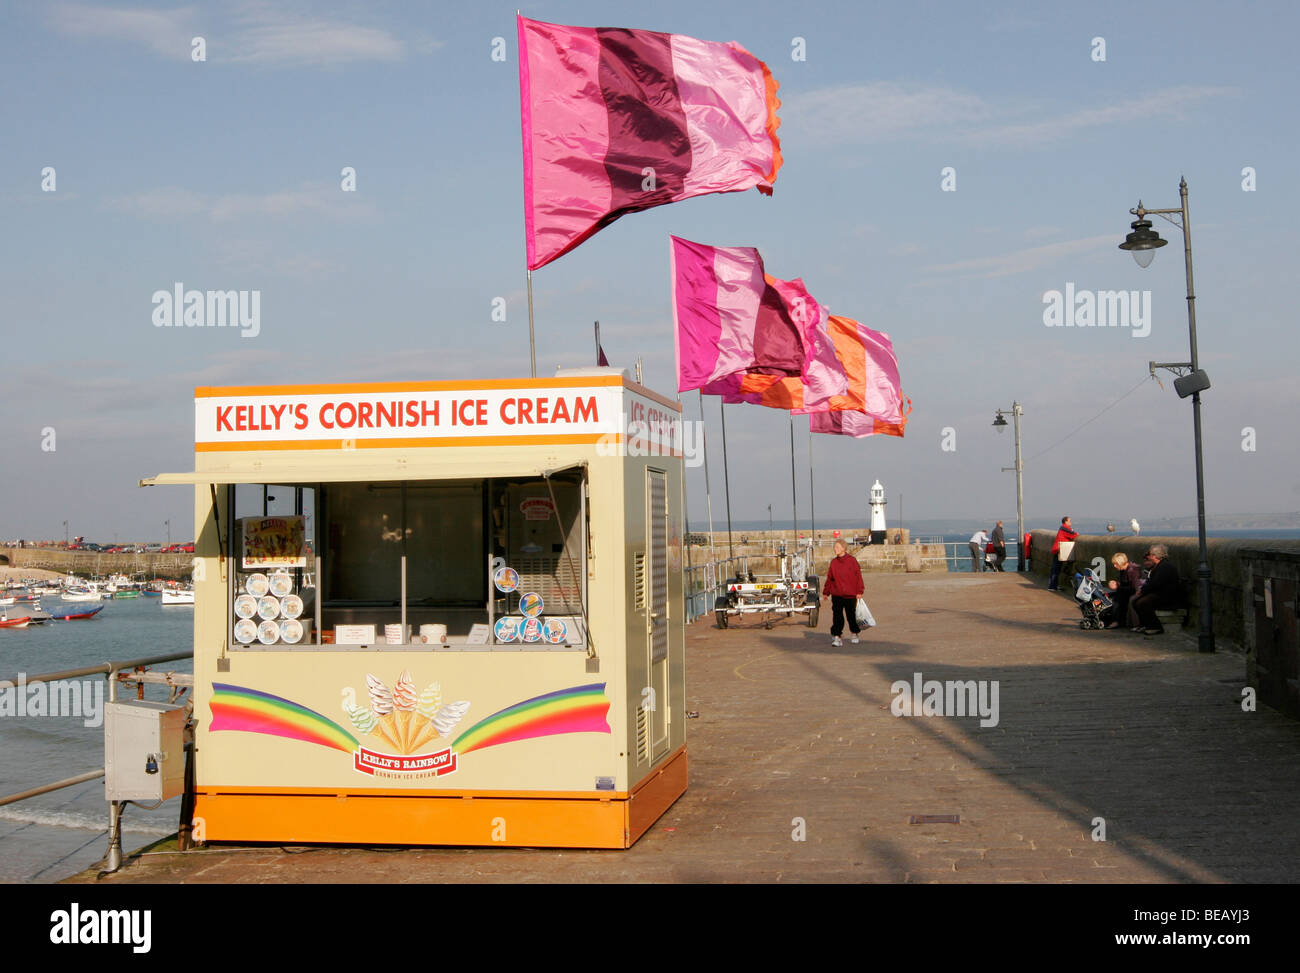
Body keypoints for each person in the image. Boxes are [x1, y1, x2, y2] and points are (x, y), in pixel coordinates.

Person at [1131, 544, 1181, 634]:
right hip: (1161, 594)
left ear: (1154, 556)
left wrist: (1142, 591)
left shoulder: (1165, 567)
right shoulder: (1159, 566)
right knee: (1135, 602)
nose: (1149, 557)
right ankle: (1145, 624)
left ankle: (1155, 627)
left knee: (1143, 603)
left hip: (1167, 597)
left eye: (1150, 555)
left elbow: (1156, 584)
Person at [823, 539, 864, 646]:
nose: (835, 549)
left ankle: (854, 633)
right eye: (834, 547)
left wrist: (860, 591)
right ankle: (837, 637)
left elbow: (858, 577)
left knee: (851, 615)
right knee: (837, 617)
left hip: (850, 594)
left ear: (843, 548)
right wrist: (826, 592)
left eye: (837, 547)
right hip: (837, 594)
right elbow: (830, 578)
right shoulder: (833, 562)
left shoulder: (852, 561)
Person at [1105, 552, 1142, 629]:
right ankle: (1116, 620)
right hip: (1129, 591)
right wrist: (1117, 584)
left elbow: (1134, 588)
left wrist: (1117, 587)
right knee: (1113, 596)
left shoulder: (1132, 571)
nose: (1114, 566)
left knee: (1118, 599)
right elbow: (1125, 585)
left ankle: (1117, 621)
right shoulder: (1124, 570)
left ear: (1121, 563)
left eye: (1116, 564)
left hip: (1135, 592)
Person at [1047, 516, 1078, 591]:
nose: (1071, 522)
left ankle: (1053, 586)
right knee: (1056, 569)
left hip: (1058, 549)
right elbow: (1074, 534)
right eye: (1069, 521)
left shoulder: (1063, 528)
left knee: (1056, 569)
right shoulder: (1064, 528)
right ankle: (1052, 586)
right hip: (1059, 550)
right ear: (1066, 522)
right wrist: (1075, 532)